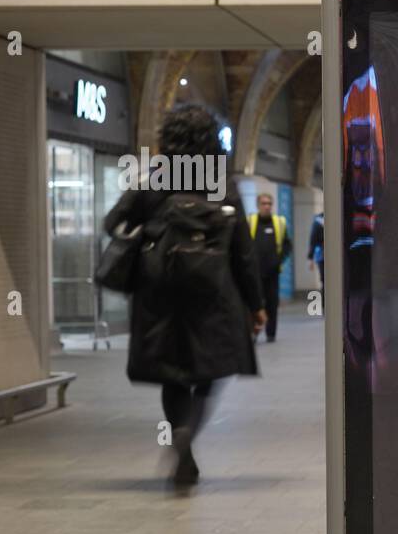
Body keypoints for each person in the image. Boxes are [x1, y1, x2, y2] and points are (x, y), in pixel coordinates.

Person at [104, 104, 266, 489]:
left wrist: (147, 233)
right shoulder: (220, 183)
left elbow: (113, 223)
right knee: (212, 368)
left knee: (172, 373)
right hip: (213, 291)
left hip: (158, 291)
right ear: (210, 139)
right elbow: (242, 250)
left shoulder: (152, 181)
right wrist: (256, 304)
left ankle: (180, 438)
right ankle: (187, 432)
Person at [249, 192, 291, 342]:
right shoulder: (250, 222)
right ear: (258, 205)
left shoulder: (279, 222)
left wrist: (278, 260)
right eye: (263, 203)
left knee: (272, 303)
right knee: (254, 303)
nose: (267, 207)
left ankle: (271, 333)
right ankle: (253, 332)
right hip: (254, 272)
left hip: (273, 273)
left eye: (269, 204)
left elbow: (287, 245)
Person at [307, 210, 325, 290]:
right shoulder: (318, 221)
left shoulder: (318, 221)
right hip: (322, 254)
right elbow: (313, 240)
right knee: (325, 280)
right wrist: (310, 258)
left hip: (322, 255)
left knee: (324, 280)